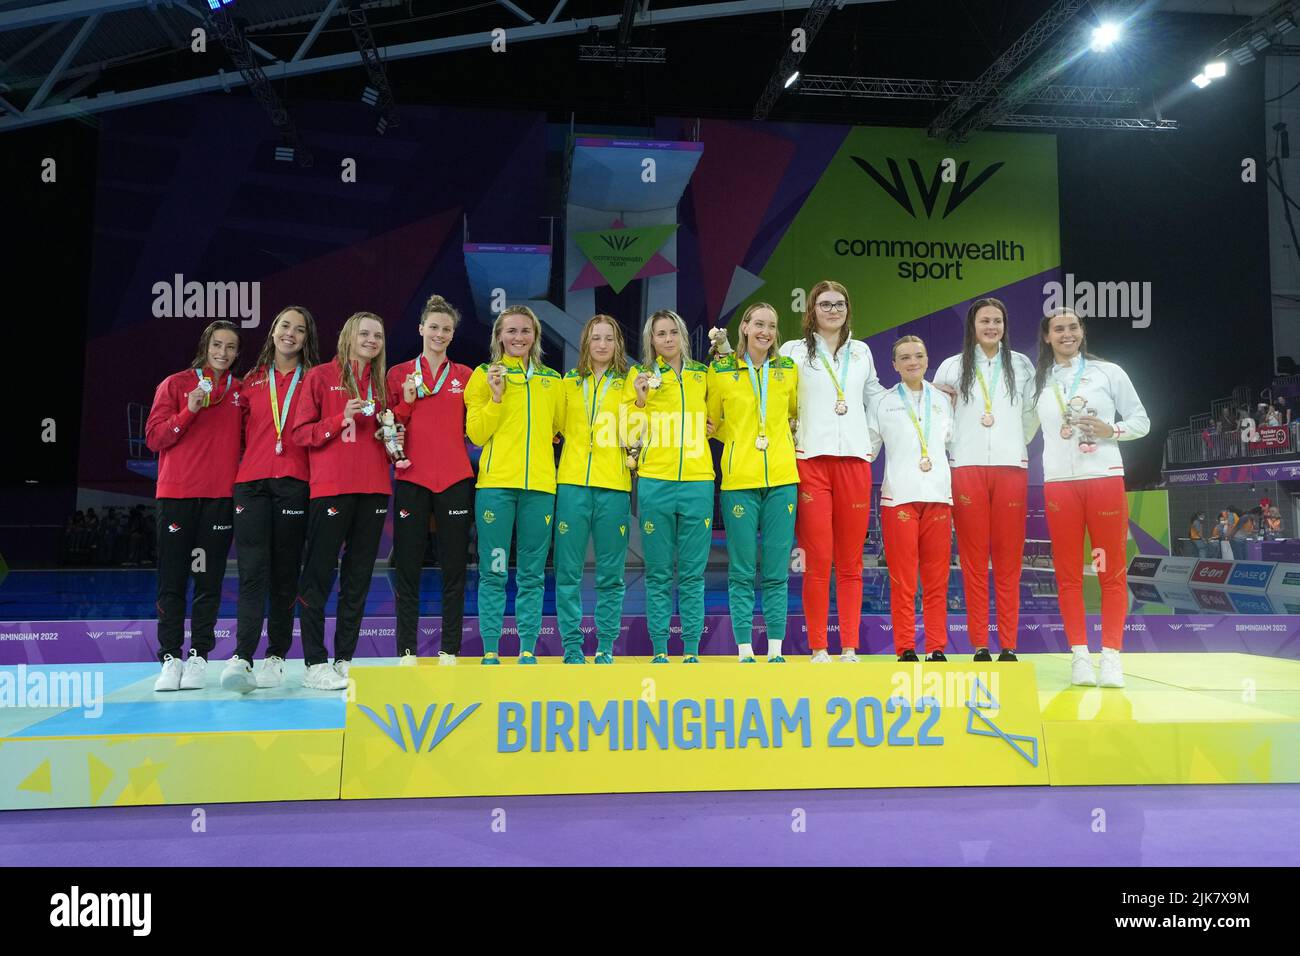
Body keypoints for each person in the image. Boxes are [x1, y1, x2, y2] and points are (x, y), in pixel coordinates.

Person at [1025, 309, 1149, 688]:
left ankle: (1111, 656)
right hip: (1060, 483)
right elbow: (1021, 430)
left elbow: (1141, 421)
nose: (1067, 334)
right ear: (1046, 336)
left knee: (1111, 572)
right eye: (1058, 329)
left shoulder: (1109, 372)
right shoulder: (1037, 381)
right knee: (1067, 575)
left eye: (1073, 327)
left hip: (1104, 479)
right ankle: (1079, 655)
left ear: (1082, 332)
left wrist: (1110, 428)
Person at [778, 280, 886, 663]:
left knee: (851, 560)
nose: (833, 310)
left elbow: (876, 398)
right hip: (811, 461)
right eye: (825, 304)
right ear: (812, 309)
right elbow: (778, 399)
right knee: (818, 558)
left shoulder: (862, 352)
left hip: (854, 463)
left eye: (839, 303)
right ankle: (820, 646)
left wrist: (870, 443)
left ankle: (851, 646)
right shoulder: (792, 352)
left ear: (847, 308)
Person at [220, 307, 320, 693]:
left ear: (306, 337)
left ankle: (276, 655)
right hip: (252, 483)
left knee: (284, 574)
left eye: (298, 329)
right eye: (284, 326)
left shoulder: (312, 379)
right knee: (252, 572)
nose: (290, 334)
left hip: (295, 482)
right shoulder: (251, 380)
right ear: (273, 332)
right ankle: (242, 656)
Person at [292, 311, 393, 690]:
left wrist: (391, 435)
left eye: (378, 335)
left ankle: (344, 658)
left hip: (374, 489)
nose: (371, 340)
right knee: (318, 575)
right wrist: (339, 418)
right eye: (365, 333)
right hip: (332, 488)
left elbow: (387, 437)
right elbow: (301, 434)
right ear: (349, 336)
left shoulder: (382, 383)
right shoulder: (319, 377)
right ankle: (314, 662)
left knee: (359, 579)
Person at [932, 297, 1036, 662]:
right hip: (966, 467)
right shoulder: (951, 367)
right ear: (972, 327)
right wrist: (955, 441)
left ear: (1005, 325)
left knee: (1008, 560)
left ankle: (1007, 643)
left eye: (997, 321)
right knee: (974, 560)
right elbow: (936, 415)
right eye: (984, 321)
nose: (991, 327)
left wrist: (1013, 441)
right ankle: (979, 643)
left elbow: (1030, 414)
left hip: (1010, 467)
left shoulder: (1021, 365)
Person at [145, 320, 243, 691]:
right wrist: (188, 411)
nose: (223, 353)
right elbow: (154, 439)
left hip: (219, 499)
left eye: (231, 347)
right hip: (176, 497)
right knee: (172, 581)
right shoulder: (175, 384)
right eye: (217, 345)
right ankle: (170, 657)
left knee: (208, 582)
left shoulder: (240, 391)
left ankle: (200, 654)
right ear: (205, 345)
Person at [465, 305, 563, 665]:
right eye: (511, 331)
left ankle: (527, 649)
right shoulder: (482, 375)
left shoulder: (552, 380)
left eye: (525, 330)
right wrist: (495, 397)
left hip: (539, 489)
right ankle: (491, 648)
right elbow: (476, 433)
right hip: (496, 488)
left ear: (535, 335)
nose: (518, 337)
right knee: (493, 571)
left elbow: (563, 428)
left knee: (533, 574)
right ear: (499, 336)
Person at [708, 303, 800, 663]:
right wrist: (743, 438)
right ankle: (744, 648)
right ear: (744, 327)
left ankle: (776, 649)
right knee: (742, 570)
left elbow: (794, 414)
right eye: (759, 324)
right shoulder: (721, 371)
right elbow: (711, 421)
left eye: (772, 326)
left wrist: (772, 436)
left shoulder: (787, 370)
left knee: (777, 570)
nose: (765, 331)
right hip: (739, 479)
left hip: (781, 478)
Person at [387, 295, 476, 666]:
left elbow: (478, 426)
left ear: (453, 335)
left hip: (455, 477)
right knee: (407, 566)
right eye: (434, 327)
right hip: (412, 476)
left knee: (454, 567)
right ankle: (406, 648)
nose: (439, 334)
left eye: (446, 329)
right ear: (421, 328)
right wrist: (405, 403)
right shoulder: (398, 374)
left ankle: (449, 649)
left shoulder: (466, 377)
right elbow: (389, 427)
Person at [624, 309, 714, 663]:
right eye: (660, 334)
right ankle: (660, 649)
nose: (668, 339)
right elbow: (628, 431)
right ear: (651, 340)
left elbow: (720, 417)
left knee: (693, 574)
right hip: (656, 483)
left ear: (683, 337)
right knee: (658, 573)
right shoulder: (639, 376)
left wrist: (713, 426)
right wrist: (641, 399)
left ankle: (691, 650)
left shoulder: (702, 375)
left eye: (673, 332)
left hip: (697, 482)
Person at [868, 335, 954, 662]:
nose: (912, 362)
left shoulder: (944, 401)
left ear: (927, 359)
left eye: (918, 355)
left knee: (936, 579)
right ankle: (905, 646)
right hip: (898, 498)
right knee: (903, 579)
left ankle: (936, 647)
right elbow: (868, 448)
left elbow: (957, 443)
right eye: (904, 358)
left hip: (938, 497)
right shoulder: (883, 403)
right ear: (894, 365)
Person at [553, 315, 633, 664]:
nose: (602, 345)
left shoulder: (630, 382)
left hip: (614, 486)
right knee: (567, 571)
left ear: (618, 344)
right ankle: (571, 646)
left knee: (611, 575)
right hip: (572, 485)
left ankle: (605, 645)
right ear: (585, 343)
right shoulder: (567, 382)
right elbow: (552, 426)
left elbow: (639, 429)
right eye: (595, 338)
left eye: (609, 338)